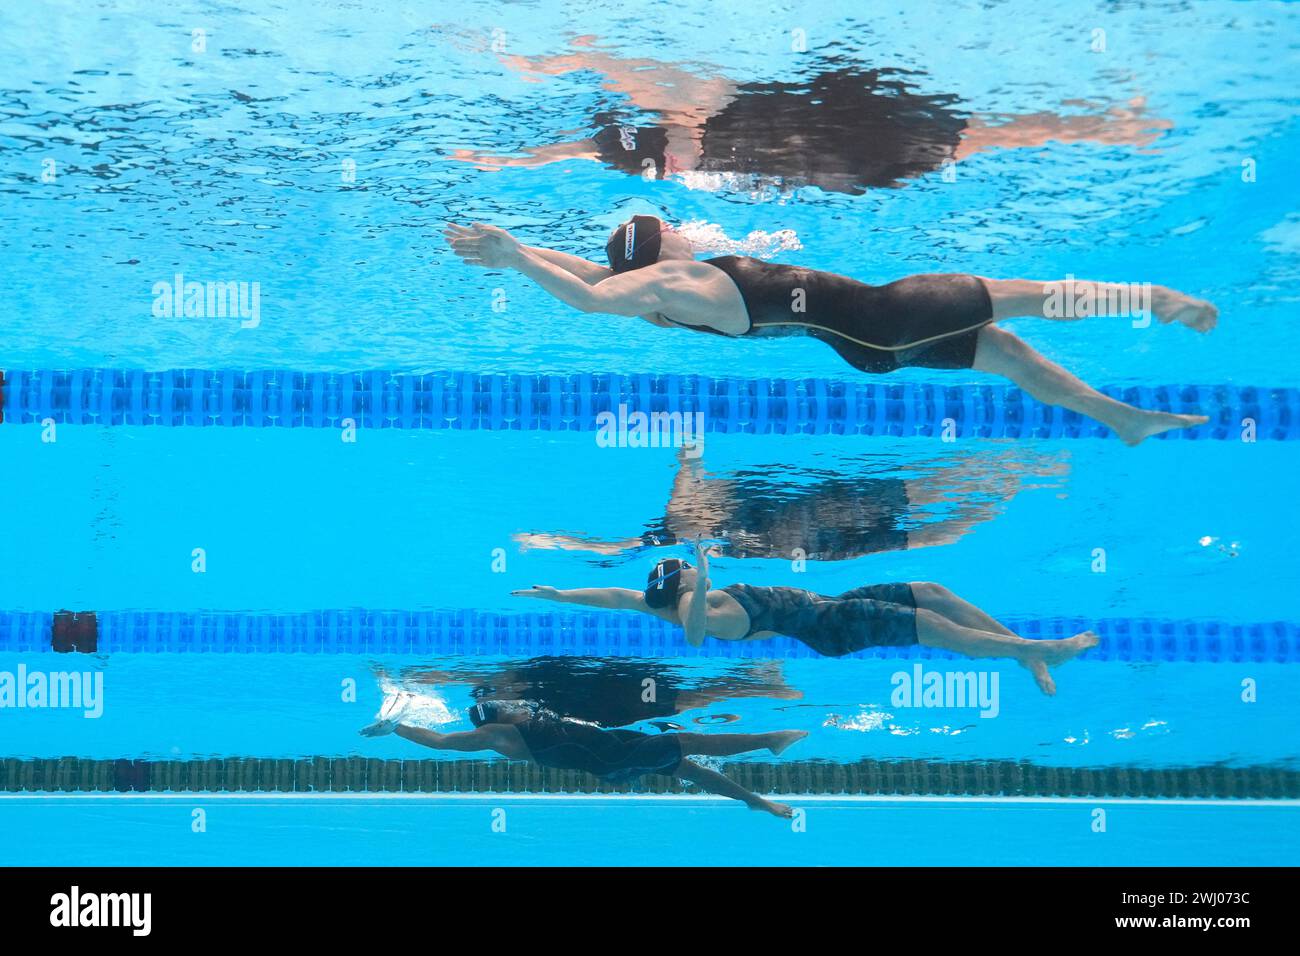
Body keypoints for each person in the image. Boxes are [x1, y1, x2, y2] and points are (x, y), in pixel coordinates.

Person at [444, 214, 1215, 445]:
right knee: (1032, 298)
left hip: (866, 349)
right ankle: (1158, 300)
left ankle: (1120, 418)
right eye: (668, 225)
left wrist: (517, 253)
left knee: (1009, 352)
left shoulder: (666, 297)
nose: (680, 227)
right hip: (890, 315)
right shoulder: (679, 277)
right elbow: (589, 297)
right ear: (662, 246)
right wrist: (513, 257)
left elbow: (593, 277)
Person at [454, 42, 1172, 195]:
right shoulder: (609, 142)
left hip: (809, 129)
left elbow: (706, 84)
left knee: (976, 136)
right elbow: (561, 151)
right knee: (968, 144)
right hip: (811, 159)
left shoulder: (659, 96)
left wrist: (537, 66)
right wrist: (503, 162)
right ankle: (1106, 124)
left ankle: (1108, 123)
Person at [513, 543, 1097, 696]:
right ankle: (1038, 651)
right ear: (685, 585)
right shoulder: (702, 612)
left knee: (931, 591)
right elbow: (695, 637)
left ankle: (1022, 649)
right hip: (833, 627)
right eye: (685, 570)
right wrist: (705, 583)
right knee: (940, 631)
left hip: (834, 604)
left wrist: (562, 594)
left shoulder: (660, 604)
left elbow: (616, 596)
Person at [515, 445, 1063, 560]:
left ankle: (1014, 487)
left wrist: (555, 542)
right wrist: (688, 458)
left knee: (935, 532)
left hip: (819, 549)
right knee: (923, 490)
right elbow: (619, 544)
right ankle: (1017, 469)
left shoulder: (694, 538)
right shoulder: (687, 518)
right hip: (817, 518)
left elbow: (614, 548)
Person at [361, 694, 806, 818]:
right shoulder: (503, 736)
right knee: (687, 747)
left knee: (691, 771)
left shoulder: (533, 720)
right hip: (614, 761)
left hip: (617, 758)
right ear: (499, 715)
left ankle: (756, 802)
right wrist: (394, 727)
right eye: (510, 704)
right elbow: (443, 743)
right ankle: (769, 739)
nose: (520, 704)